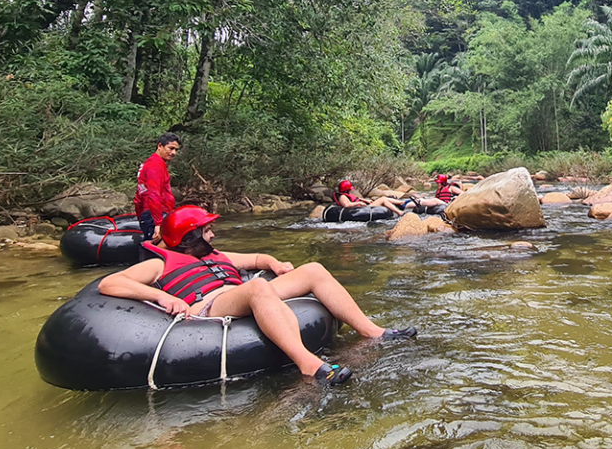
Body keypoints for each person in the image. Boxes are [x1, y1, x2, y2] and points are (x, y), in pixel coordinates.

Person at [98, 205, 417, 386]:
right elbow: (110, 284)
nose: (213, 234)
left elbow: (255, 259)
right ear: (188, 237)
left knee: (314, 269)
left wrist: (275, 263)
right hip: (208, 306)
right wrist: (161, 297)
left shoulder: (217, 255)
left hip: (240, 293)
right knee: (257, 287)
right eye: (206, 231)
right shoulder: (159, 263)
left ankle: (372, 332)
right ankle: (309, 365)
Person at [134, 132, 181, 242]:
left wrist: (141, 218)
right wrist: (158, 223)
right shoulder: (155, 166)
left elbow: (138, 198)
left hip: (151, 215)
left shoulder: (151, 164)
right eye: (171, 148)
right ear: (160, 146)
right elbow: (153, 195)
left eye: (176, 150)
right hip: (156, 215)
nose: (173, 153)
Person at [332, 179, 407, 217]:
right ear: (346, 189)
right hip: (361, 209)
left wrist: (365, 200)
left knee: (383, 199)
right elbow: (346, 205)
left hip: (362, 207)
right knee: (383, 199)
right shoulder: (342, 197)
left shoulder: (346, 194)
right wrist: (360, 203)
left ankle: (400, 204)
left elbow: (355, 198)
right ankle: (399, 211)